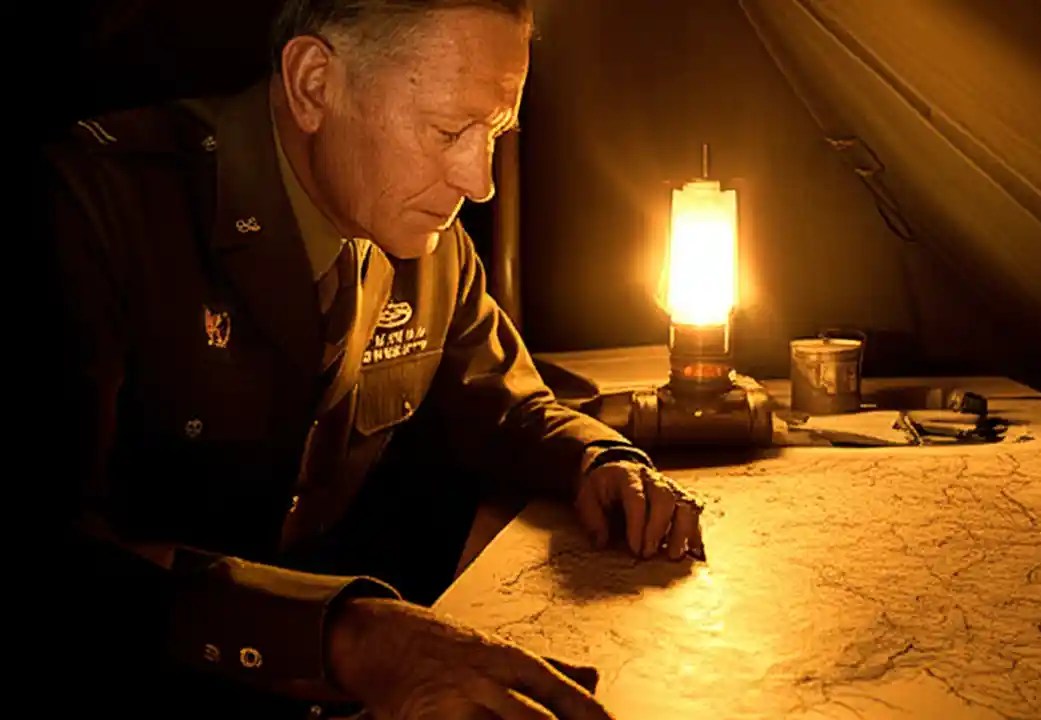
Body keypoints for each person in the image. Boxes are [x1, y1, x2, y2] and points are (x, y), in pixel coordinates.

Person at [36, 0, 705, 717]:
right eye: (449, 130)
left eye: (495, 132)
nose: (479, 182)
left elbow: (509, 406)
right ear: (314, 84)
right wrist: (345, 636)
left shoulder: (424, 235)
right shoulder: (95, 208)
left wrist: (599, 461)